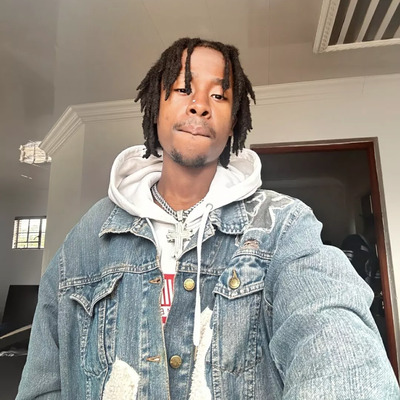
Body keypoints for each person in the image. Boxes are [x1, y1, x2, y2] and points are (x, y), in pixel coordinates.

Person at [17, 38, 399, 399]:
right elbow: (44, 384)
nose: (200, 105)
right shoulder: (88, 236)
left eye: (218, 95)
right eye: (183, 89)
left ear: (233, 122)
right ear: (155, 107)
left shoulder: (281, 224)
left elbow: (333, 337)